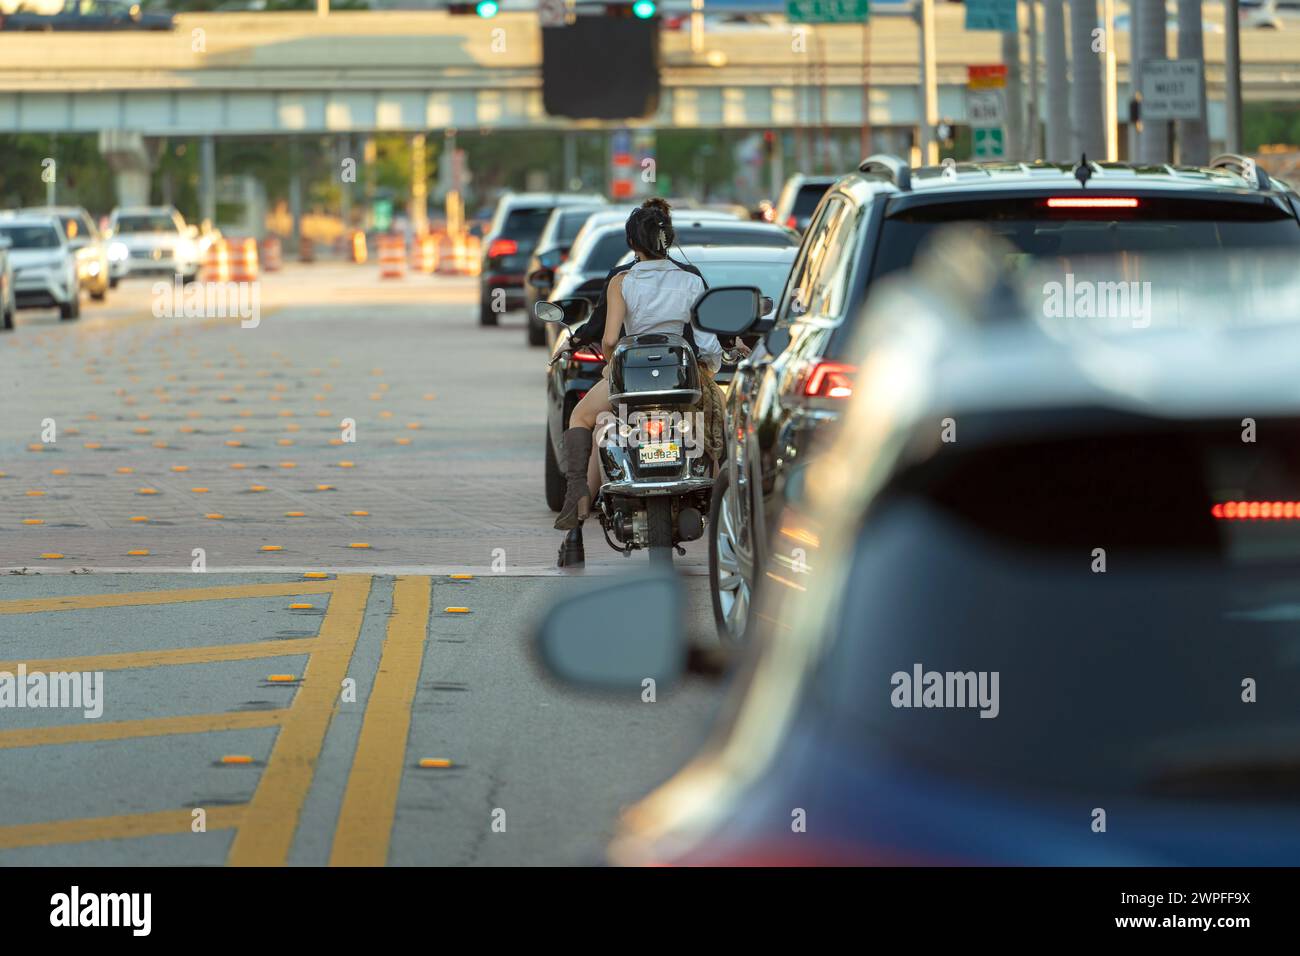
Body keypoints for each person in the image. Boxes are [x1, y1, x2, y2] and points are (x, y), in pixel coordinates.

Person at [554, 197, 727, 532]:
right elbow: (707, 344)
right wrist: (708, 369)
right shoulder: (691, 280)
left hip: (633, 380)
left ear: (632, 242)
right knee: (718, 427)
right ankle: (724, 510)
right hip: (680, 380)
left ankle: (576, 496)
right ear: (668, 239)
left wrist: (612, 366)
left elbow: (608, 339)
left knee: (581, 416)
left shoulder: (622, 281)